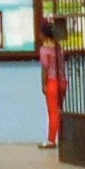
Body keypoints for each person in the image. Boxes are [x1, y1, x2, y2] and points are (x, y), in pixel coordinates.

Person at [37, 22, 66, 150]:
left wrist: (43, 84)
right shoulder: (59, 48)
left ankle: (51, 140)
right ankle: (63, 138)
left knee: (53, 112)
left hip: (52, 82)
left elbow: (45, 68)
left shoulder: (44, 50)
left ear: (44, 34)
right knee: (60, 110)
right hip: (63, 81)